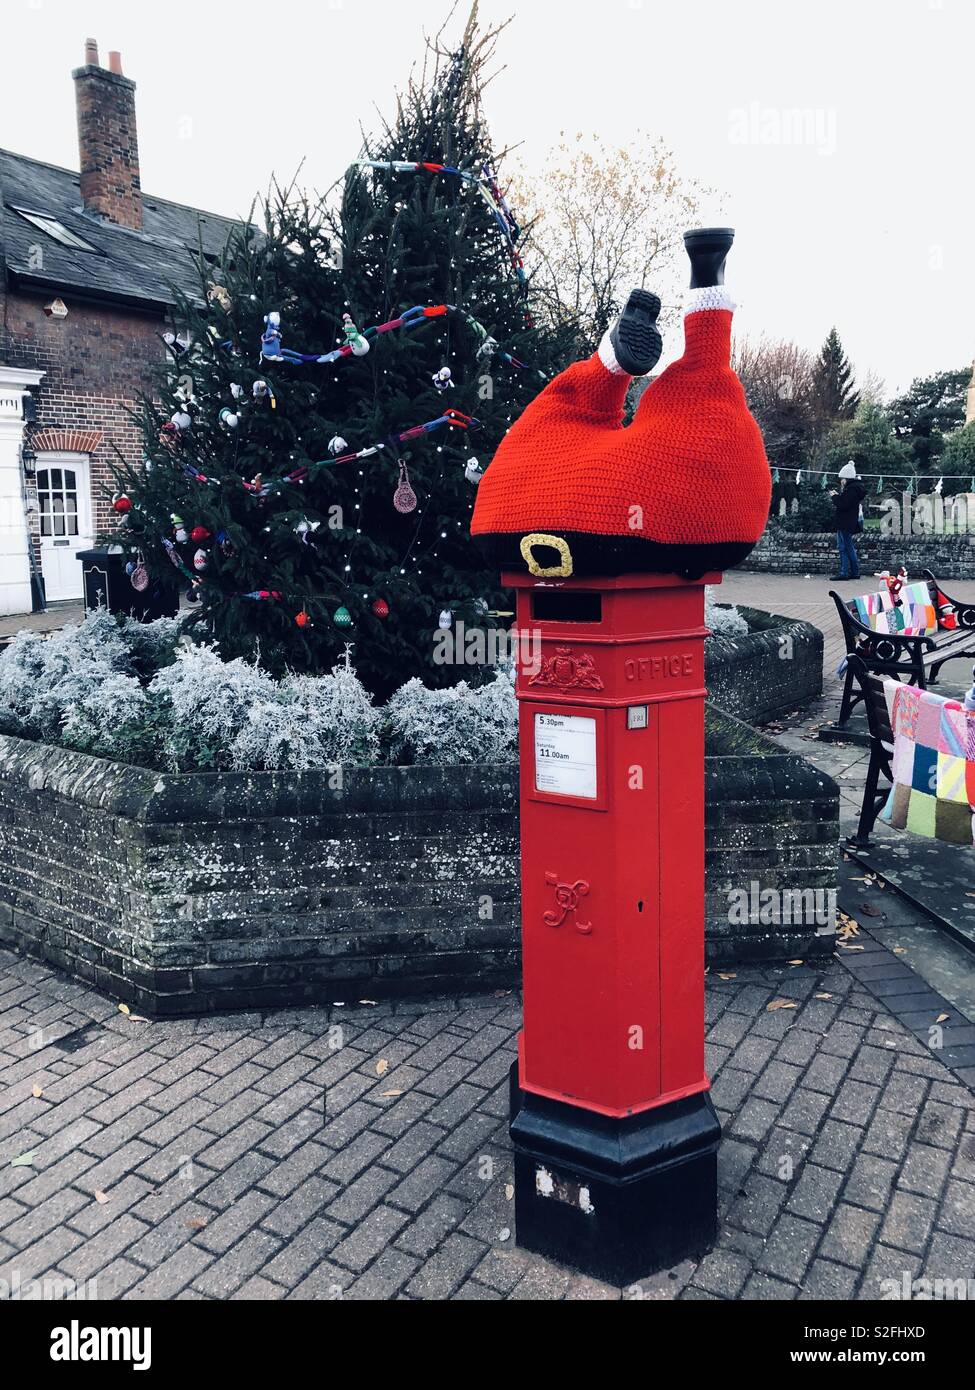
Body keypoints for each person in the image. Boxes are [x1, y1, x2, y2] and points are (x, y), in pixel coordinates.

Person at [830, 461, 866, 581]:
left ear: (847, 478)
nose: (841, 481)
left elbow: (843, 504)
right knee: (847, 546)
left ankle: (845, 572)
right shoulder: (855, 489)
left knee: (844, 547)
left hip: (845, 522)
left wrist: (834, 497)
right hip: (848, 521)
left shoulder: (851, 490)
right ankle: (852, 571)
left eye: (843, 479)